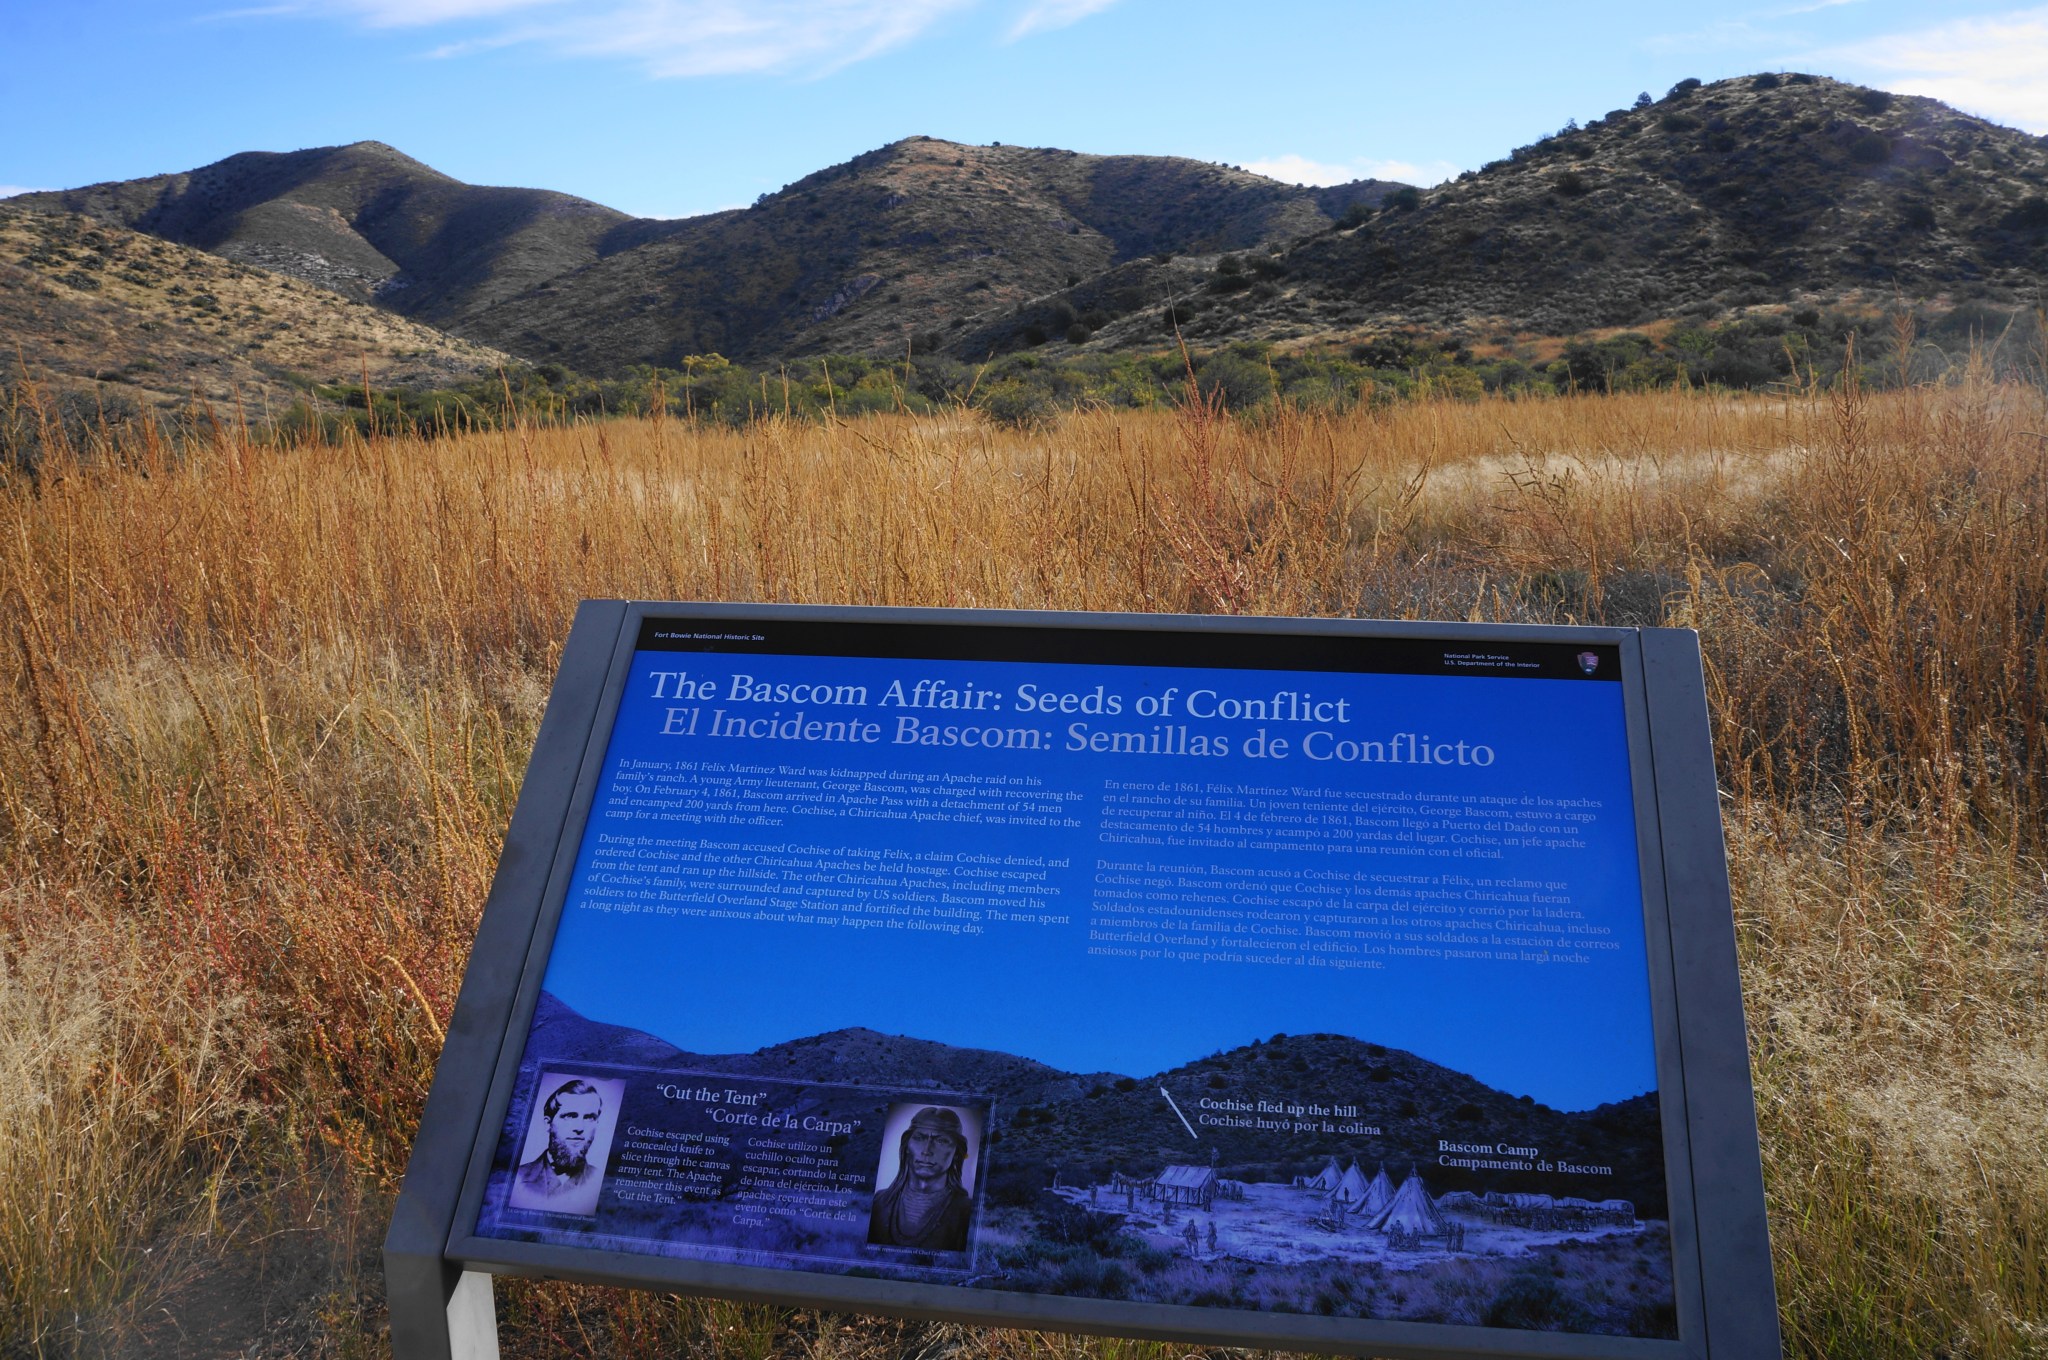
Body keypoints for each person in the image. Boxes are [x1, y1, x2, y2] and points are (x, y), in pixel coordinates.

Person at [868, 1106, 973, 1251]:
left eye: (941, 1141)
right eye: (919, 1138)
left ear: (956, 1152)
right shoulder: (879, 1202)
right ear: (906, 1146)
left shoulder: (966, 1211)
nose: (926, 1150)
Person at [511, 1079, 605, 1211]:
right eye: (569, 1116)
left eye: (589, 1118)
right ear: (548, 1124)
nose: (579, 1127)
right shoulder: (515, 1177)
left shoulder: (602, 1183)